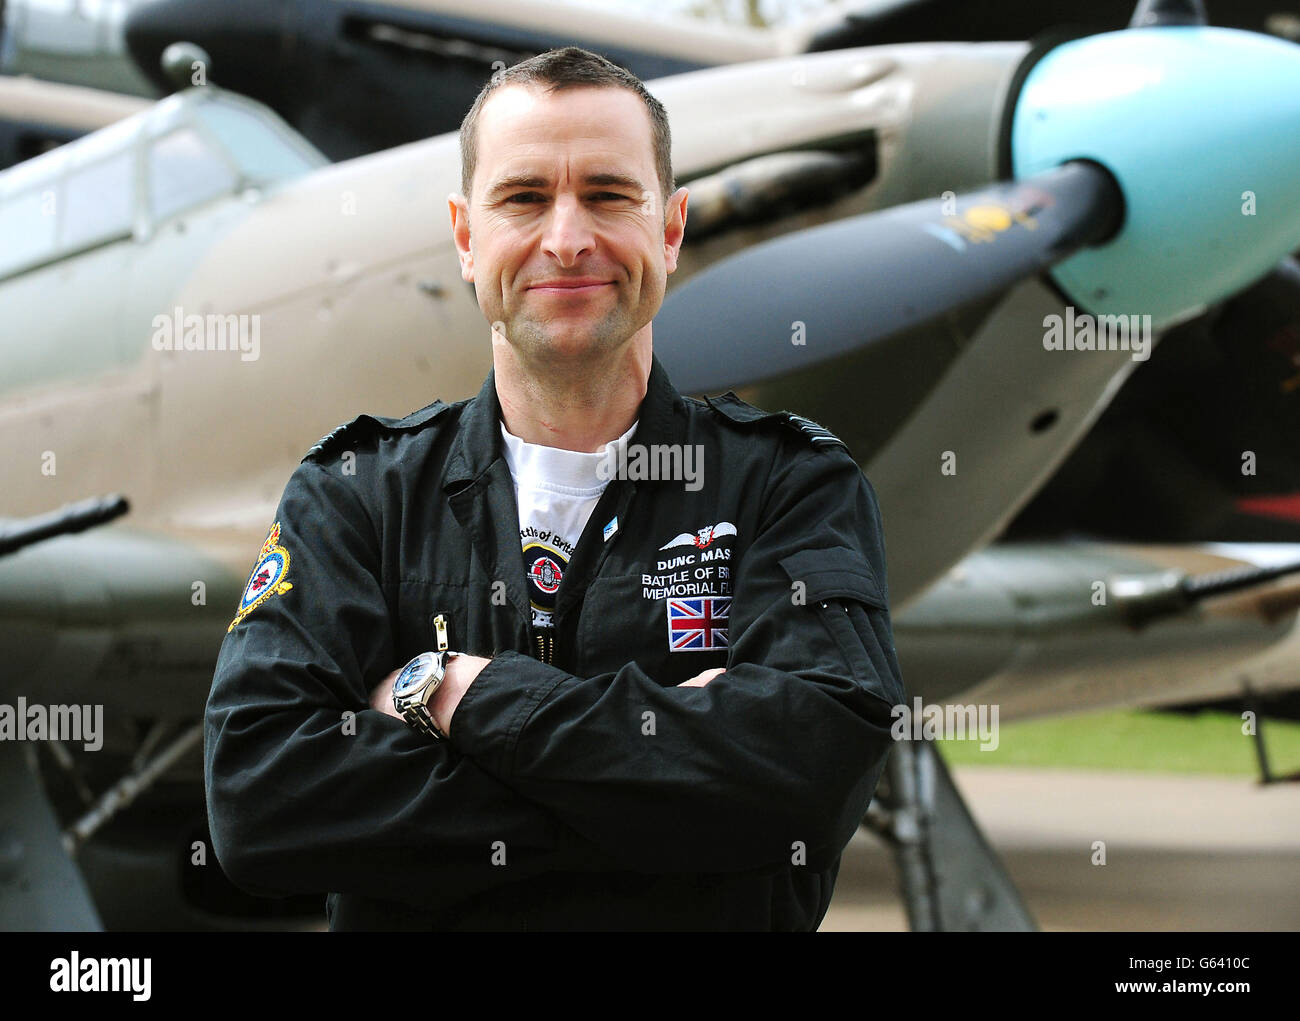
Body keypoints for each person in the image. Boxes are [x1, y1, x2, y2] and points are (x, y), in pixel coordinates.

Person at [205, 45, 904, 931]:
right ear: (467, 236)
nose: (568, 238)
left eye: (609, 196)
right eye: (525, 197)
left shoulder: (791, 484)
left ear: (671, 229)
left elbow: (810, 774)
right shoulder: (355, 496)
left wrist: (450, 690)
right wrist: (676, 797)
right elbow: (259, 802)